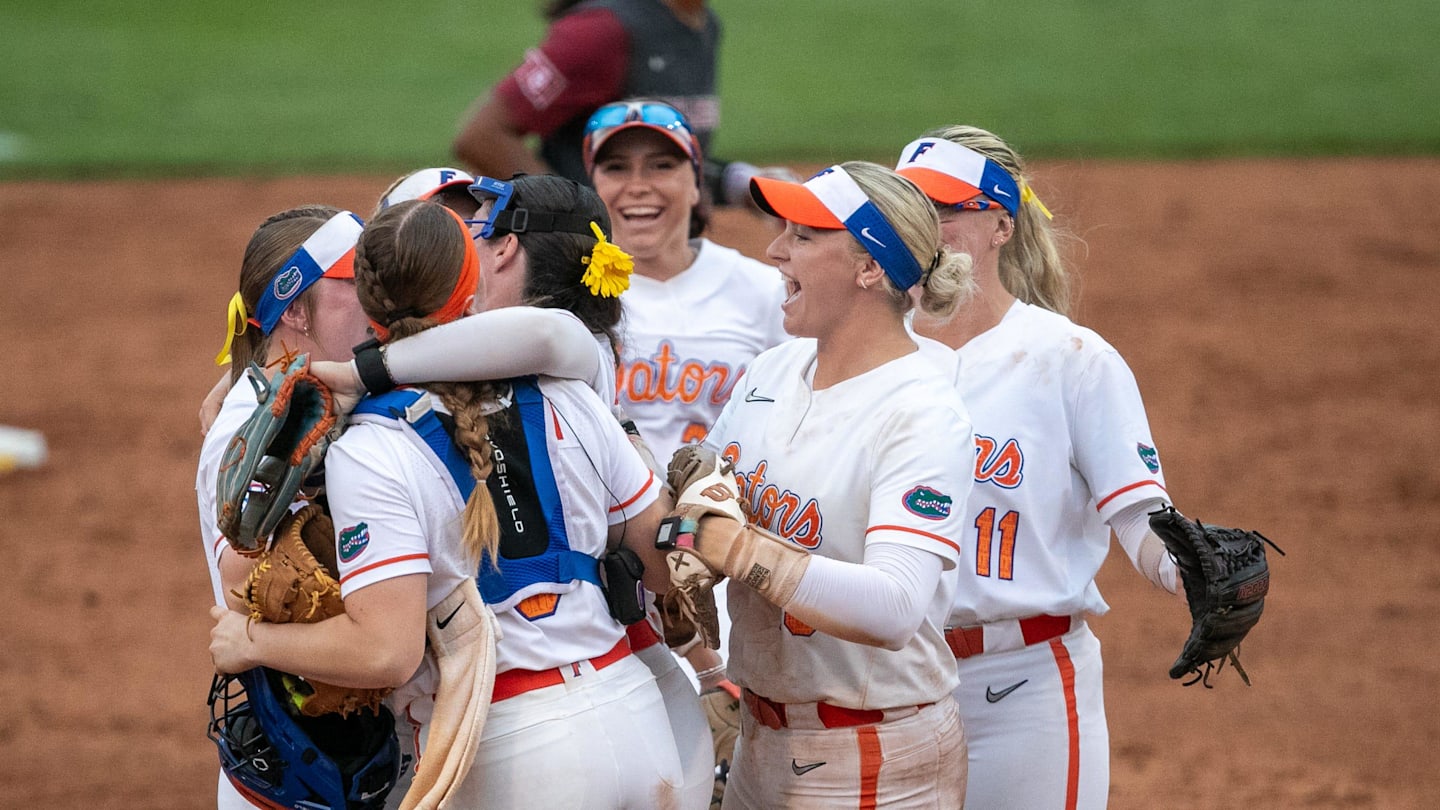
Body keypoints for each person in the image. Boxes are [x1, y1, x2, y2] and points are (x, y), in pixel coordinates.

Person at [209, 196, 690, 808]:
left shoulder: (367, 448)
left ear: (369, 306)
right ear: (473, 291)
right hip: (639, 721)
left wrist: (251, 642)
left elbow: (386, 652)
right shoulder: (568, 391)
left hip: (509, 755)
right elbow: (661, 570)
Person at [896, 125, 1180, 809]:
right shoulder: (867, 354)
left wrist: (1186, 569)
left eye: (948, 208)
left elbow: (1139, 516)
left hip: (1023, 692)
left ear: (1002, 224)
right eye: (912, 207)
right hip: (889, 687)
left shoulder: (1071, 359)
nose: (928, 226)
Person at [687, 161, 977, 808]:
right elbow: (699, 499)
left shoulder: (920, 413)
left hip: (870, 755)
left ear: (869, 267)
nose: (775, 250)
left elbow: (894, 607)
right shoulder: (771, 371)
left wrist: (738, 549)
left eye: (803, 236)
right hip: (758, 737)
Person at [196, 206, 381, 808]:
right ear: (296, 310)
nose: (379, 296)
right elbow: (245, 584)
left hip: (358, 756)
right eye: (356, 281)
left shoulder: (332, 391)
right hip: (302, 767)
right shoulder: (246, 434)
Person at [452, 0, 784, 207]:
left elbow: (661, 157)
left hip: (652, 242)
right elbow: (482, 137)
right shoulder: (599, 31)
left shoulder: (703, 23)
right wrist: (570, 218)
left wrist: (740, 182)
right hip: (597, 262)